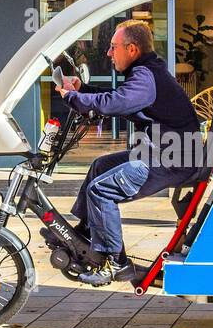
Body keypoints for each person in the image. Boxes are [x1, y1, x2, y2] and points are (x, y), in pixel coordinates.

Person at [59, 20, 202, 286]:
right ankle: (87, 234)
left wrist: (71, 98)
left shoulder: (146, 76)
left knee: (101, 190)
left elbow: (117, 102)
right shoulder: (147, 72)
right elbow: (122, 98)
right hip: (165, 152)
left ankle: (117, 262)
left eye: (113, 47)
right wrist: (83, 90)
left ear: (132, 49)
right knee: (101, 166)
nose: (109, 53)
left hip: (173, 159)